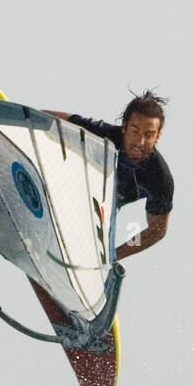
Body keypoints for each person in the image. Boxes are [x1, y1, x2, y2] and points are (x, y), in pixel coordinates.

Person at [46, 92, 173, 260]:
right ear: (124, 127)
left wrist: (113, 256)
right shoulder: (108, 135)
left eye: (149, 135)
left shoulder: (159, 177)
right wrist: (21, 117)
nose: (140, 142)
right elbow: (53, 118)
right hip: (77, 186)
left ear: (157, 136)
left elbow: (157, 231)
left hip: (106, 207)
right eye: (135, 131)